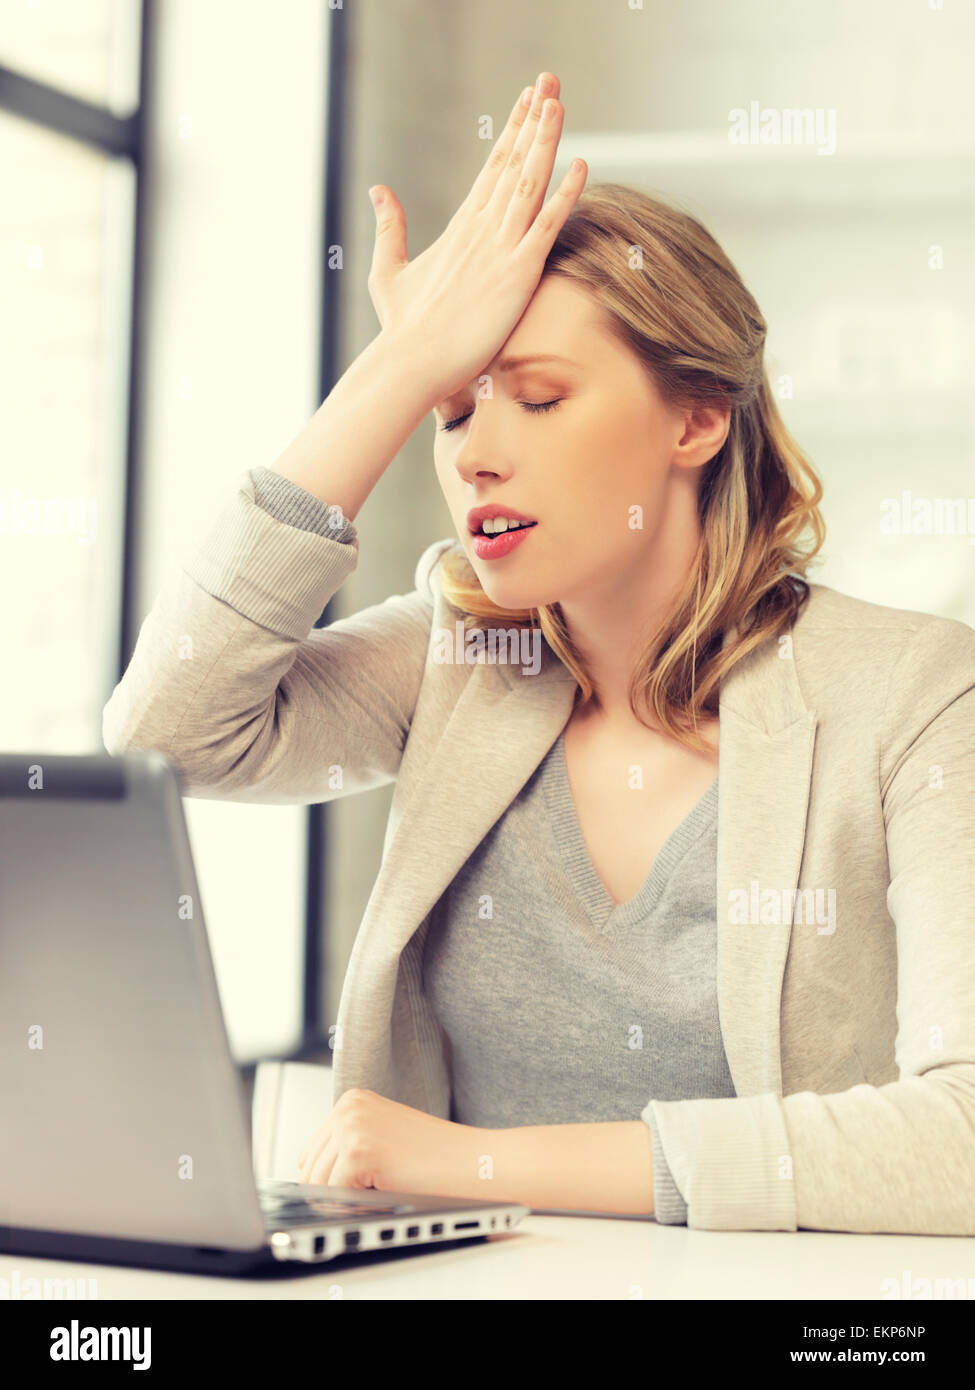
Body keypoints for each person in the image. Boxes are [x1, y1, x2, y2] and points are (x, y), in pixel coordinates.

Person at [103, 72, 975, 1232]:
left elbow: (961, 1138)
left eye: (541, 399)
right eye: (456, 413)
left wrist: (471, 1163)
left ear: (698, 418)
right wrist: (398, 367)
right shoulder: (455, 662)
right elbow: (170, 734)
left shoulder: (915, 694)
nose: (475, 457)